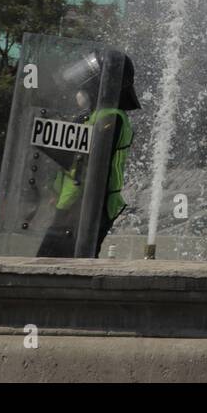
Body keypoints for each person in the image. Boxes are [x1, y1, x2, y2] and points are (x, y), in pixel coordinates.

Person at [37, 51, 141, 258]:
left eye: (86, 85)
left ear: (101, 86)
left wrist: (68, 206)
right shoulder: (95, 116)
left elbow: (88, 166)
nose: (81, 91)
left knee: (58, 263)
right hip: (74, 203)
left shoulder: (109, 117)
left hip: (86, 205)